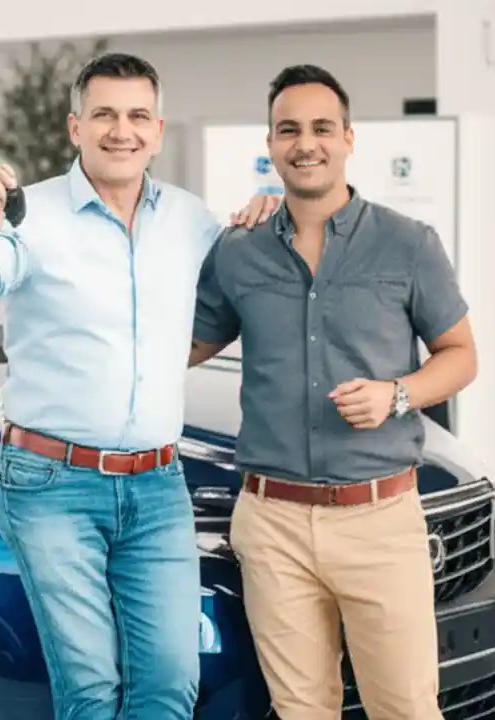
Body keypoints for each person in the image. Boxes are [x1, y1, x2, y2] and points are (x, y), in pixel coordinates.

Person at [0, 52, 278, 719]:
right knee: (91, 692)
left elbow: (238, 290)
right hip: (51, 485)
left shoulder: (188, 219)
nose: (122, 130)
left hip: (156, 487)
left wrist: (264, 216)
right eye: (105, 115)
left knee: (169, 687)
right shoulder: (32, 215)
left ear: (158, 128)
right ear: (75, 127)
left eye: (137, 115)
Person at [189, 63, 478, 719]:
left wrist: (397, 395)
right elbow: (185, 346)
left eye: (322, 127)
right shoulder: (240, 250)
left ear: (348, 138)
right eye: (289, 129)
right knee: (300, 709)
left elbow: (461, 356)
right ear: (271, 146)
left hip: (379, 521)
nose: (306, 142)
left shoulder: (408, 245)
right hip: (271, 523)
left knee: (404, 707)